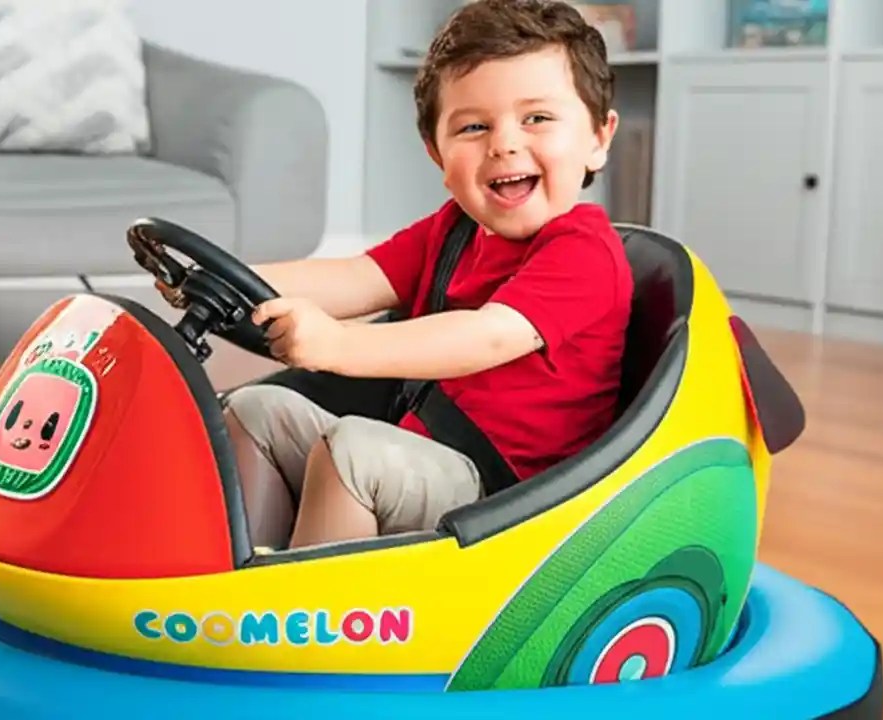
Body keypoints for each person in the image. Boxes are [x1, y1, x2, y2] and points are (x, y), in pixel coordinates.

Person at [201, 0, 633, 551]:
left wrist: (338, 345)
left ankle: (311, 622)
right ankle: (238, 584)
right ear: (437, 154)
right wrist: (225, 275)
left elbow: (487, 335)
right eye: (473, 126)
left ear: (598, 137)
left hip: (513, 503)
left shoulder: (584, 251)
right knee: (259, 409)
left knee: (356, 449)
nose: (503, 143)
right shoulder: (452, 231)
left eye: (537, 119)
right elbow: (354, 277)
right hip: (430, 462)